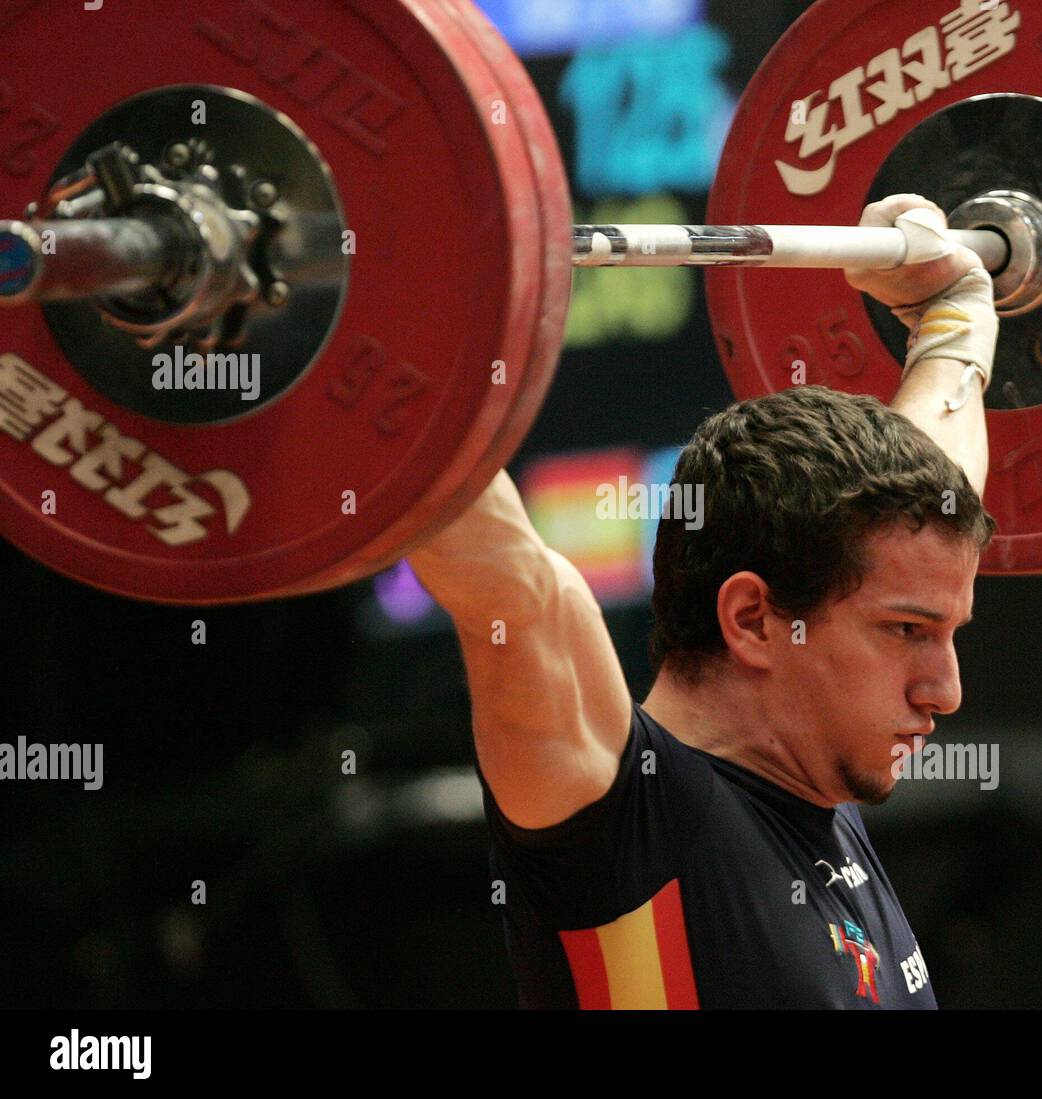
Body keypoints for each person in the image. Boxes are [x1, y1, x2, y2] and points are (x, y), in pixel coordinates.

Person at [408, 194, 998, 1009]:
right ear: (755, 619)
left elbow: (934, 487)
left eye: (944, 631)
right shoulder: (624, 817)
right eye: (908, 631)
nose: (945, 689)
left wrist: (955, 314)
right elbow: (493, 558)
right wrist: (374, 309)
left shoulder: (817, 768)